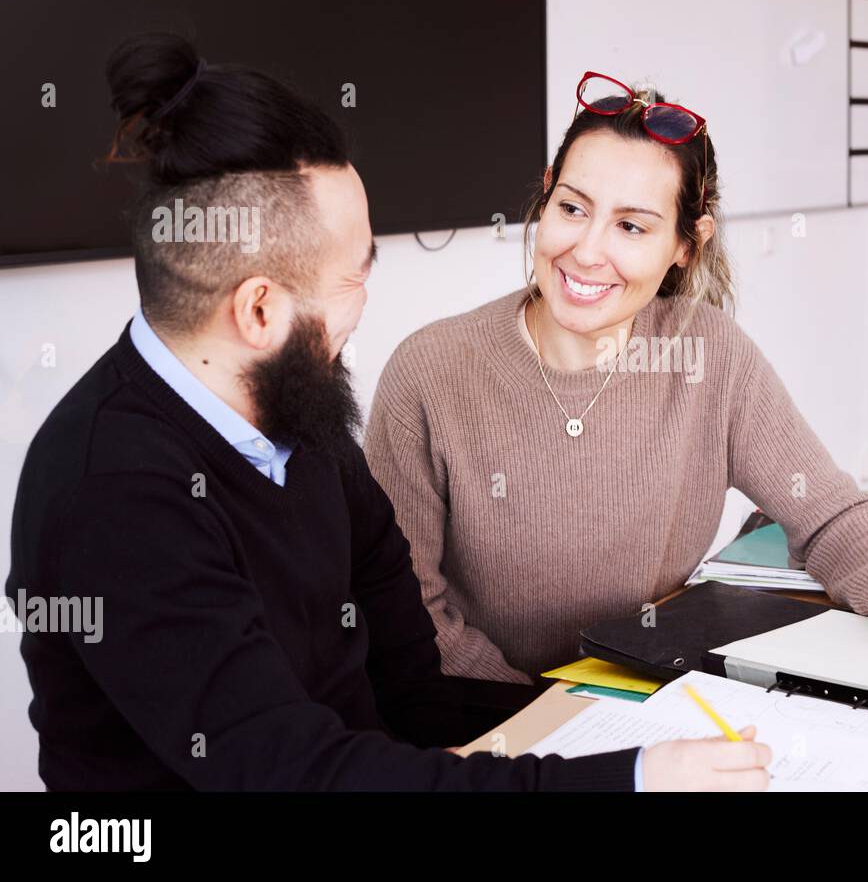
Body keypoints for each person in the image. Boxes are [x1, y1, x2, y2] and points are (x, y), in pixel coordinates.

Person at [6, 38, 770, 791]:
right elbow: (295, 772)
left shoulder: (296, 414)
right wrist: (629, 781)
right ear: (261, 310)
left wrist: (606, 732)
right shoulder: (112, 496)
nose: (365, 304)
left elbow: (414, 680)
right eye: (355, 275)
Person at [364, 70, 868, 687]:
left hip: (656, 699)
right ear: (545, 198)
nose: (588, 251)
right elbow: (406, 611)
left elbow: (827, 513)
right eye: (572, 208)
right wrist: (543, 717)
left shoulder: (710, 354)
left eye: (631, 226)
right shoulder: (430, 372)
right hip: (485, 727)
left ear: (686, 244)